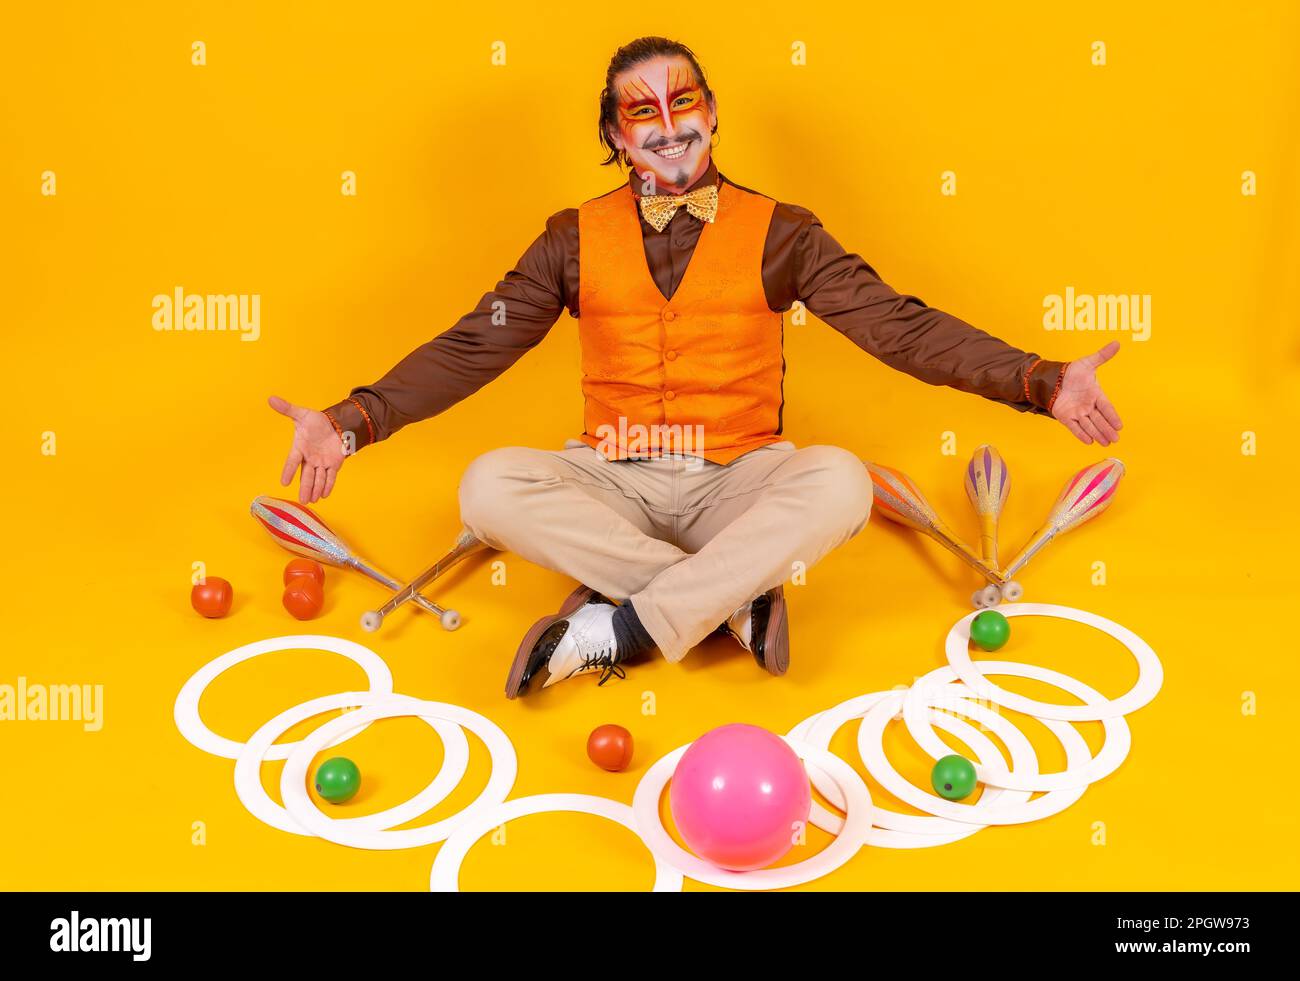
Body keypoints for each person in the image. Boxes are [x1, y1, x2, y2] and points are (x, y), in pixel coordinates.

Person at [270, 36, 1124, 699]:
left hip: (740, 481)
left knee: (840, 483)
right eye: (642, 111)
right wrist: (351, 420)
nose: (668, 123)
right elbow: (475, 341)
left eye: (684, 101)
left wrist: (1042, 380)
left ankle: (615, 632)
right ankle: (731, 604)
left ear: (713, 114)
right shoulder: (570, 238)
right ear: (615, 133)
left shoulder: (785, 231)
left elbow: (898, 327)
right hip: (612, 476)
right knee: (488, 486)